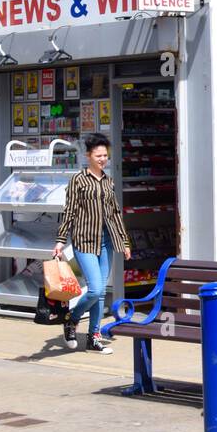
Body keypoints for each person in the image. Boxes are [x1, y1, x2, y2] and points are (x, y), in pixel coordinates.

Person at [53, 133, 132, 353]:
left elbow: (115, 214)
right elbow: (68, 212)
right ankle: (72, 318)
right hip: (84, 241)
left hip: (106, 242)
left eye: (105, 155)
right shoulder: (78, 180)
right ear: (88, 156)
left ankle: (94, 337)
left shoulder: (108, 182)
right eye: (98, 155)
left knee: (100, 293)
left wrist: (124, 242)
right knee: (95, 290)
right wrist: (60, 241)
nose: (102, 159)